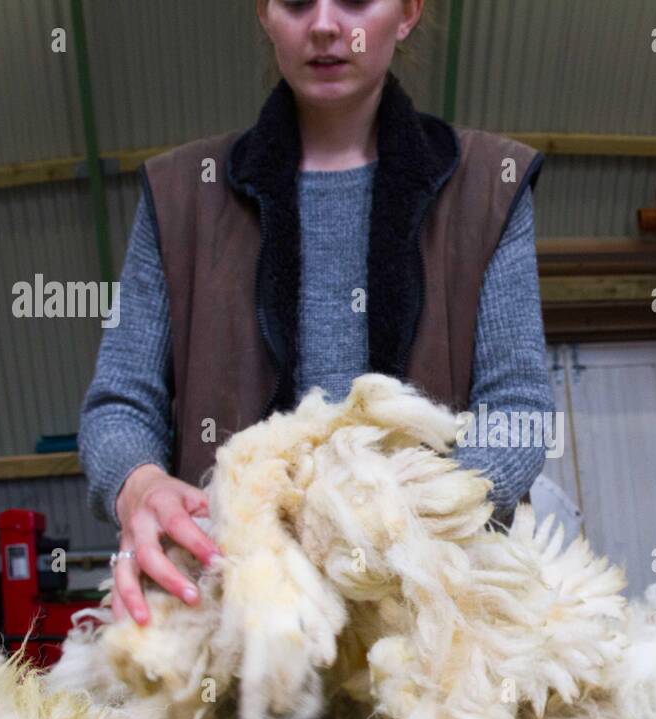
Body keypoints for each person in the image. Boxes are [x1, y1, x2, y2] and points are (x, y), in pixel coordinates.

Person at [78, 0, 553, 626]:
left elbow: (519, 410)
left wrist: (395, 516)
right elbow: (120, 402)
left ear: (407, 12)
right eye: (297, 2)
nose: (326, 24)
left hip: (428, 609)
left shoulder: (488, 187)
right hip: (232, 604)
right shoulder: (180, 198)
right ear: (264, 14)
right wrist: (140, 484)